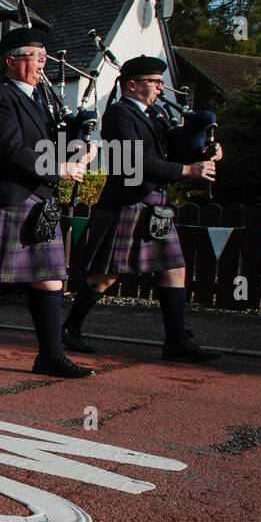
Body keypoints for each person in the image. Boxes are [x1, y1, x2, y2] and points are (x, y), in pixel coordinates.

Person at [0, 28, 96, 377]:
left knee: (50, 280)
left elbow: (46, 144)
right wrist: (59, 168)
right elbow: (10, 151)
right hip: (6, 199)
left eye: (45, 58)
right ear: (11, 61)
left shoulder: (40, 101)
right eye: (36, 57)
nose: (43, 63)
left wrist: (80, 145)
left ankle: (50, 355)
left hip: (36, 200)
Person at [63, 56, 222, 362]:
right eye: (155, 83)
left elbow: (173, 148)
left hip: (154, 204)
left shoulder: (155, 115)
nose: (160, 89)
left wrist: (203, 145)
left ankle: (176, 340)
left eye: (161, 83)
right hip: (128, 201)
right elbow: (136, 162)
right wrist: (188, 171)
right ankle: (69, 328)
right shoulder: (119, 115)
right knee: (106, 274)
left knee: (173, 270)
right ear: (132, 84)